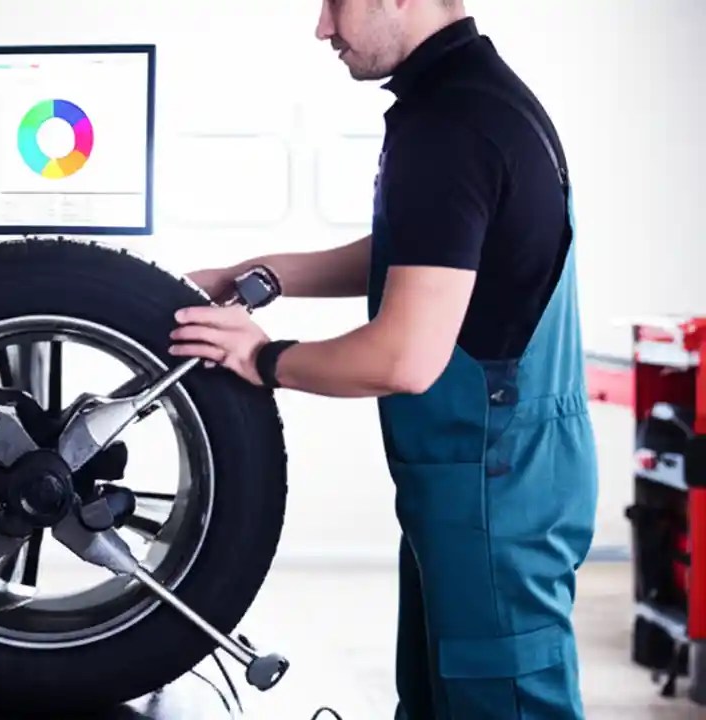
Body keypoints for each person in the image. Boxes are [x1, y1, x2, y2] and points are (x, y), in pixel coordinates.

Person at [170, 1, 599, 718]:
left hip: (492, 488)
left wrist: (266, 359)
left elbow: (405, 359)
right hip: (503, 473)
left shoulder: (450, 125)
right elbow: (438, 253)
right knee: (439, 699)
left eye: (334, 2)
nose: (322, 28)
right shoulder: (481, 97)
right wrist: (267, 273)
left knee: (503, 702)